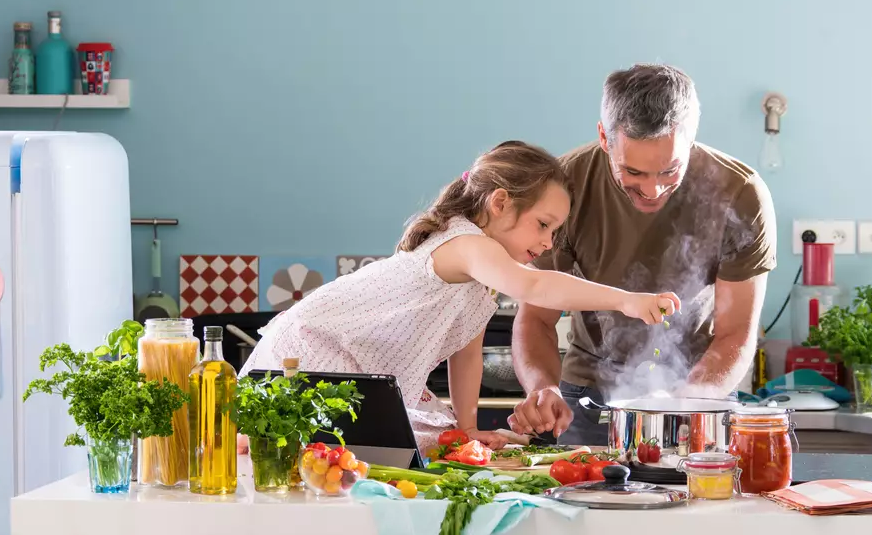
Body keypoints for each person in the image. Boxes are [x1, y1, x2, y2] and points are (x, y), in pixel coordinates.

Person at [239, 140, 681, 456]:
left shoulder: (479, 275)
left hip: (353, 369)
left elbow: (465, 354)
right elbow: (536, 287)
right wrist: (627, 300)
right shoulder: (468, 244)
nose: (548, 242)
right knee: (305, 455)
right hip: (312, 351)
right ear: (500, 203)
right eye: (543, 225)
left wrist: (468, 427)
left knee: (415, 448)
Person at [508, 64, 777, 445]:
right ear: (604, 137)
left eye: (670, 171)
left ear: (691, 138)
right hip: (587, 394)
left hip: (699, 390)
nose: (652, 190)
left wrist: (686, 404)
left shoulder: (741, 193)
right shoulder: (565, 187)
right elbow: (535, 317)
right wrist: (542, 388)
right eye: (632, 172)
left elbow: (736, 333)